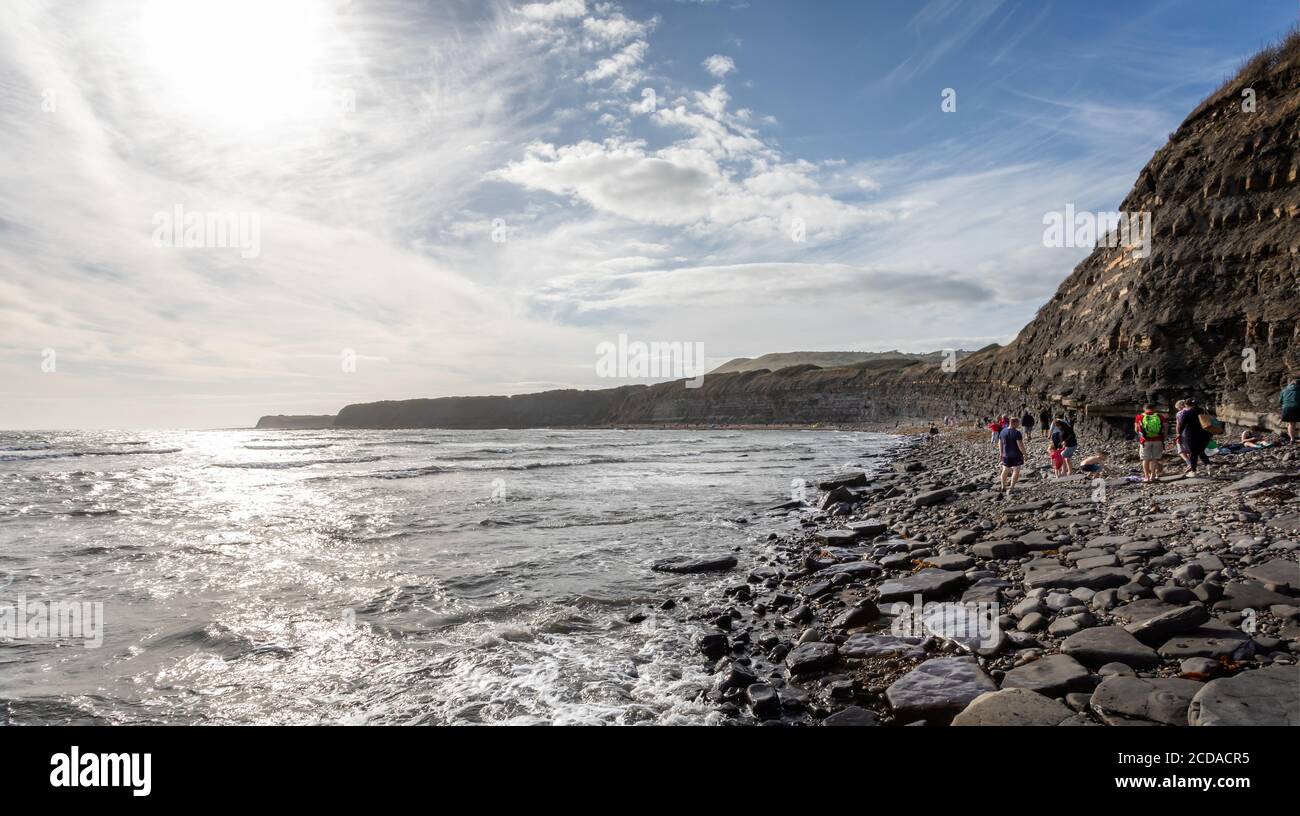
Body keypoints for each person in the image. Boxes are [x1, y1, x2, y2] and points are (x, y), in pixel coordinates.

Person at [1176, 398, 1212, 476]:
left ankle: (1193, 471)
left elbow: (1182, 425)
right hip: (1205, 434)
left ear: (1186, 405)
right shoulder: (1202, 410)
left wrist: (1179, 434)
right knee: (1200, 451)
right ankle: (1208, 465)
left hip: (1192, 435)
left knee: (1193, 453)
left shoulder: (1186, 413)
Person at [1134, 403, 1166, 482]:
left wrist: (1142, 436)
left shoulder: (1139, 417)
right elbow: (1165, 427)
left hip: (1145, 441)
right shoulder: (1160, 416)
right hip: (1158, 440)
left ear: (1144, 409)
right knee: (1155, 459)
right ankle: (1153, 476)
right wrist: (1163, 438)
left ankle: (1146, 477)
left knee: (1145, 459)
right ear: (1154, 409)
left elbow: (1136, 430)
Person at [998, 417, 1026, 492]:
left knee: (1005, 470)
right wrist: (1025, 454)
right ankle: (1011, 488)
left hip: (1005, 455)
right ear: (1014, 423)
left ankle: (1003, 486)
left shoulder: (1003, 431)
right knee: (1016, 470)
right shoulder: (1017, 433)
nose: (1018, 424)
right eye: (1017, 423)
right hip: (1016, 455)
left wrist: (1001, 453)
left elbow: (1000, 443)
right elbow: (1020, 445)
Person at [1282, 378, 1298, 443]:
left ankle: (1292, 439)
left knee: (1291, 423)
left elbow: (1280, 400)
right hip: (1298, 407)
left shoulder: (1284, 390)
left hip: (1287, 408)